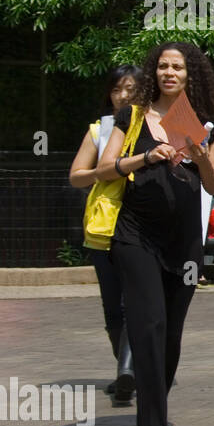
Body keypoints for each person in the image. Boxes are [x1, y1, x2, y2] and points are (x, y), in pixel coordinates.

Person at [95, 43, 214, 426]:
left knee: (170, 333)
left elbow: (213, 185)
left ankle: (156, 402)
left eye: (179, 67)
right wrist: (146, 157)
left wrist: (202, 156)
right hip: (134, 236)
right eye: (163, 66)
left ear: (191, 75)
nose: (170, 72)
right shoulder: (131, 116)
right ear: (155, 72)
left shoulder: (203, 123)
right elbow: (104, 168)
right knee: (147, 324)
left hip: (183, 241)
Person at [69, 63, 141, 403]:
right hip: (103, 228)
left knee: (134, 305)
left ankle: (128, 371)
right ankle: (126, 370)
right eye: (117, 89)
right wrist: (108, 169)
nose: (123, 95)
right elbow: (76, 177)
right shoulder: (99, 130)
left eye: (130, 89)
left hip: (143, 229)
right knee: (113, 308)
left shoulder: (154, 126)